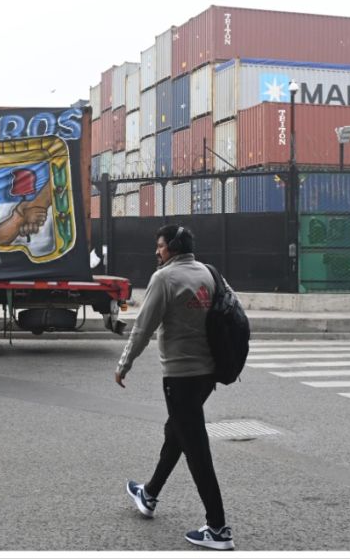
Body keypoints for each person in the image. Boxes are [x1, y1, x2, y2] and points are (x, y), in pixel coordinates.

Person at [114, 224, 234, 550]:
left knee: (196, 448)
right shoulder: (209, 274)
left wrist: (123, 364)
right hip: (207, 375)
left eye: (161, 246)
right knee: (177, 434)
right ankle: (149, 494)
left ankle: (218, 528)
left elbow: (141, 330)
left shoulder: (165, 278)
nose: (157, 251)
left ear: (174, 248)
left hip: (180, 377)